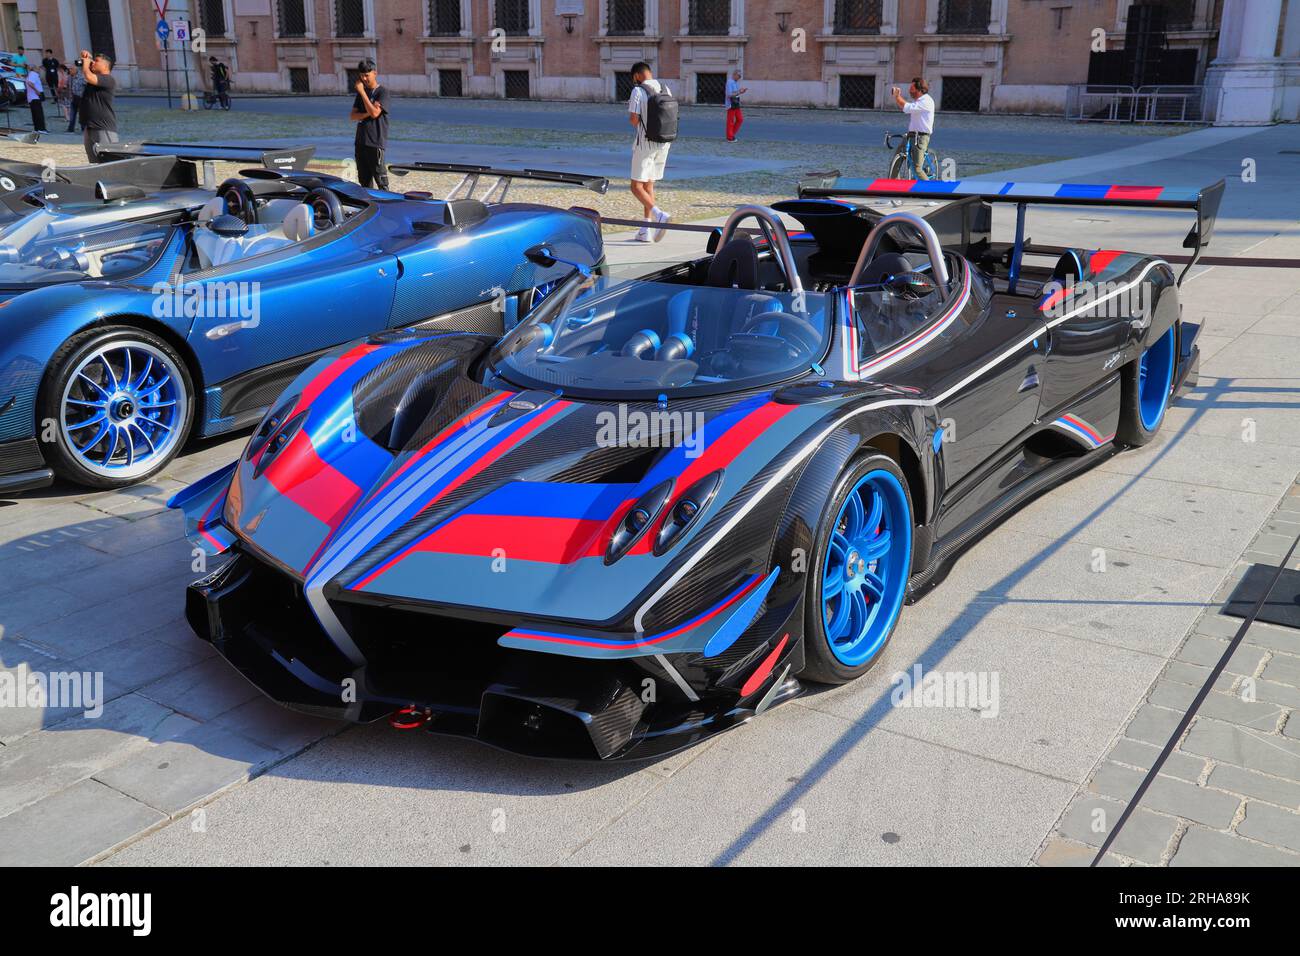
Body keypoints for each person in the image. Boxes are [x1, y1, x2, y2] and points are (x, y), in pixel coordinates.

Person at [627, 61, 672, 242]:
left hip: (645, 143)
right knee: (649, 185)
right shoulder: (664, 88)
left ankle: (658, 214)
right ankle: (646, 229)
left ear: (637, 75)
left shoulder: (638, 91)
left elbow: (633, 120)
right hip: (663, 142)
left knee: (636, 186)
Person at [349, 59, 389, 190]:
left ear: (375, 73)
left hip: (375, 143)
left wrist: (362, 93)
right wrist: (368, 111)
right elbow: (353, 116)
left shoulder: (382, 92)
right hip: (360, 143)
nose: (364, 78)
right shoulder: (361, 93)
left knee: (381, 182)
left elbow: (375, 114)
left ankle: (387, 207)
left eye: (367, 75)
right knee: (364, 183)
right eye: (361, 76)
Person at [890, 77, 935, 180]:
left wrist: (897, 96)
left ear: (919, 90)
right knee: (896, 161)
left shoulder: (926, 101)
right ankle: (893, 184)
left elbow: (907, 108)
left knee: (917, 168)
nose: (909, 90)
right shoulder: (919, 101)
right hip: (911, 135)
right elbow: (908, 107)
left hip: (921, 138)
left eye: (912, 88)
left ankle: (931, 189)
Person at [78, 51, 118, 163]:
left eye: (97, 61)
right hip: (90, 127)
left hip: (103, 128)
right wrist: (87, 58)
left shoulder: (108, 79)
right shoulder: (95, 79)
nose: (93, 63)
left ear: (105, 65)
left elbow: (88, 75)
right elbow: (87, 74)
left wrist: (86, 63)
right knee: (94, 164)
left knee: (110, 162)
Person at [724, 69, 747, 142]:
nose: (739, 77)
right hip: (731, 104)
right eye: (739, 76)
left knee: (740, 119)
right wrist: (739, 92)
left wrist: (741, 91)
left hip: (736, 103)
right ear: (734, 74)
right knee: (730, 121)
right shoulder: (729, 82)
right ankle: (730, 137)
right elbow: (729, 94)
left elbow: (735, 92)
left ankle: (731, 134)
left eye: (740, 76)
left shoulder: (735, 82)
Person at [24, 66, 46, 133]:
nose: (39, 69)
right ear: (34, 69)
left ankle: (37, 129)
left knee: (35, 114)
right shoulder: (34, 74)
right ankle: (41, 129)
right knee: (39, 113)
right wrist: (36, 90)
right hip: (35, 97)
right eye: (37, 68)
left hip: (31, 97)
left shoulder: (30, 75)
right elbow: (30, 83)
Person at [66, 60, 86, 133]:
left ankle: (84, 128)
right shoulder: (69, 77)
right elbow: (69, 86)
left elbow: (87, 86)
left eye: (71, 69)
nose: (70, 70)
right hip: (73, 97)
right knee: (72, 114)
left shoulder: (82, 77)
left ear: (75, 70)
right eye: (69, 69)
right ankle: (71, 128)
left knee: (82, 114)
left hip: (81, 98)